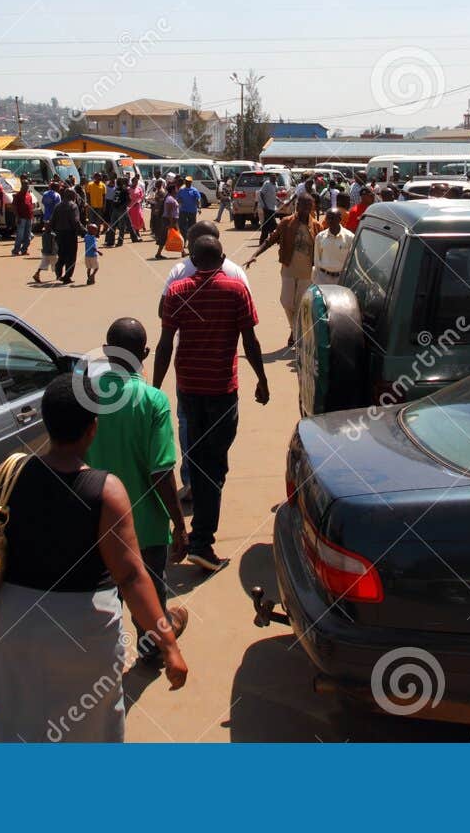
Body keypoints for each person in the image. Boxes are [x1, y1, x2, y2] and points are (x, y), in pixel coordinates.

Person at [0, 377, 187, 743]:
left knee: (18, 725)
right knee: (91, 731)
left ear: (46, 423)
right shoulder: (106, 491)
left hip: (14, 625)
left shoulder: (5, 477)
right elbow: (132, 576)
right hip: (85, 631)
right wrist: (169, 645)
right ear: (92, 429)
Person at [154, 237, 268, 571]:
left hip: (189, 390)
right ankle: (202, 542)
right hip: (221, 391)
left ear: (192, 259)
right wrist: (262, 379)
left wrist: (155, 388)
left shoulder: (177, 292)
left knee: (200, 459)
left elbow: (164, 346)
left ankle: (196, 534)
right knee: (213, 466)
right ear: (222, 258)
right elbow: (250, 340)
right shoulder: (236, 291)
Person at [85, 317, 190, 664]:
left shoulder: (88, 396)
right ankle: (153, 648)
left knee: (104, 595)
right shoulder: (153, 400)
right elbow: (161, 471)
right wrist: (179, 524)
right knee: (149, 592)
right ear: (145, 352)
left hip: (96, 523)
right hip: (145, 527)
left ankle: (105, 654)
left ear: (106, 352)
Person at [245, 192, 320, 346]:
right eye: (301, 205)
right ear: (296, 206)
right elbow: (270, 240)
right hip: (288, 268)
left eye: (308, 205)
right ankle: (296, 329)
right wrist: (255, 254)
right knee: (286, 302)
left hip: (307, 272)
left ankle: (295, 333)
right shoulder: (286, 222)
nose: (304, 209)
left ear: (312, 207)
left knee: (300, 305)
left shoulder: (317, 226)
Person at [51, 186, 83, 284]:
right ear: (72, 196)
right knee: (71, 256)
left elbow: (53, 221)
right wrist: (84, 232)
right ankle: (67, 277)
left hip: (59, 234)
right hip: (70, 234)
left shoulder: (58, 206)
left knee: (61, 254)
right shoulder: (73, 206)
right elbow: (75, 222)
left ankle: (58, 273)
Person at [313, 208, 353, 285]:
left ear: (340, 219)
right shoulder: (320, 237)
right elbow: (317, 259)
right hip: (322, 278)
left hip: (341, 279)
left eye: (333, 218)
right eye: (328, 218)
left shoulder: (350, 237)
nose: (330, 221)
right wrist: (317, 277)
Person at [155, 181, 180, 259]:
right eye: (176, 189)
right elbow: (169, 212)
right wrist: (171, 223)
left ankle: (183, 251)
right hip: (169, 220)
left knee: (178, 235)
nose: (177, 190)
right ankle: (158, 253)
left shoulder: (171, 197)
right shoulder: (169, 199)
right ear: (172, 190)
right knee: (164, 236)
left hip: (172, 220)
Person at [12, 178, 35, 255]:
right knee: (20, 235)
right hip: (21, 218)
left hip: (29, 218)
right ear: (22, 186)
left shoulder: (29, 195)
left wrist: (32, 217)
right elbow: (14, 207)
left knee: (28, 236)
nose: (27, 186)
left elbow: (31, 206)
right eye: (25, 185)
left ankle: (24, 249)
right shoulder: (18, 195)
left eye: (28, 185)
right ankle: (16, 250)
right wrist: (17, 217)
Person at [257, 173, 280, 244]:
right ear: (270, 178)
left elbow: (273, 195)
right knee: (273, 224)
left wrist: (278, 200)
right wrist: (265, 205)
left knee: (266, 225)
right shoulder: (267, 184)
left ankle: (262, 240)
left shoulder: (275, 185)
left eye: (275, 177)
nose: (274, 179)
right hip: (267, 207)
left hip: (272, 207)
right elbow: (261, 194)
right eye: (272, 177)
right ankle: (278, 239)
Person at [126, 174, 146, 242]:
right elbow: (127, 198)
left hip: (137, 206)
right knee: (132, 220)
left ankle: (137, 232)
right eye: (135, 181)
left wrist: (140, 202)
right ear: (132, 182)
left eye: (137, 182)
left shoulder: (139, 188)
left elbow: (141, 196)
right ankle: (134, 233)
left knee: (139, 218)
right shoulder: (128, 189)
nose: (136, 183)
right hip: (131, 207)